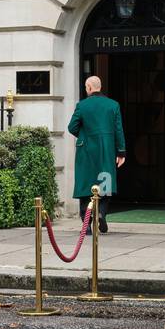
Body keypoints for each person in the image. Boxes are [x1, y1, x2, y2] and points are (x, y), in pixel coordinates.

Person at [66, 76, 126, 233]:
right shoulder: (113, 105)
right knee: (105, 184)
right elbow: (118, 130)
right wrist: (121, 152)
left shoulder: (82, 105)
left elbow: (72, 127)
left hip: (86, 150)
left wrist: (85, 135)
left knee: (86, 186)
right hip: (106, 150)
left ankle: (86, 225)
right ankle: (101, 214)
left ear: (89, 87)